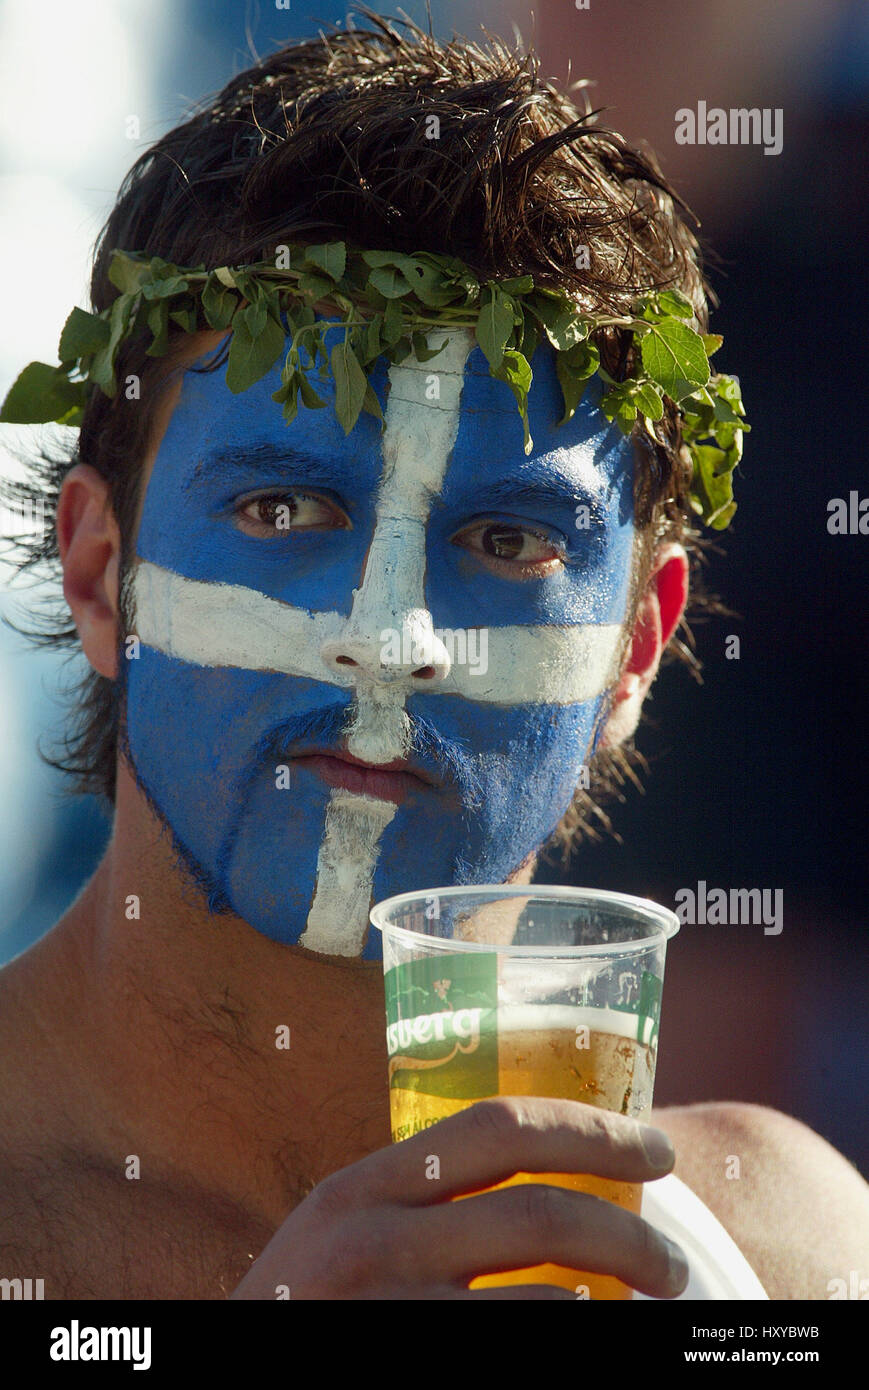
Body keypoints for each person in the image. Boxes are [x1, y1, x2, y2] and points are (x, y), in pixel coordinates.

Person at [0, 16, 867, 1301]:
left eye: (506, 536)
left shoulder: (782, 1253)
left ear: (637, 645)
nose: (391, 640)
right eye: (281, 511)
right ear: (99, 574)